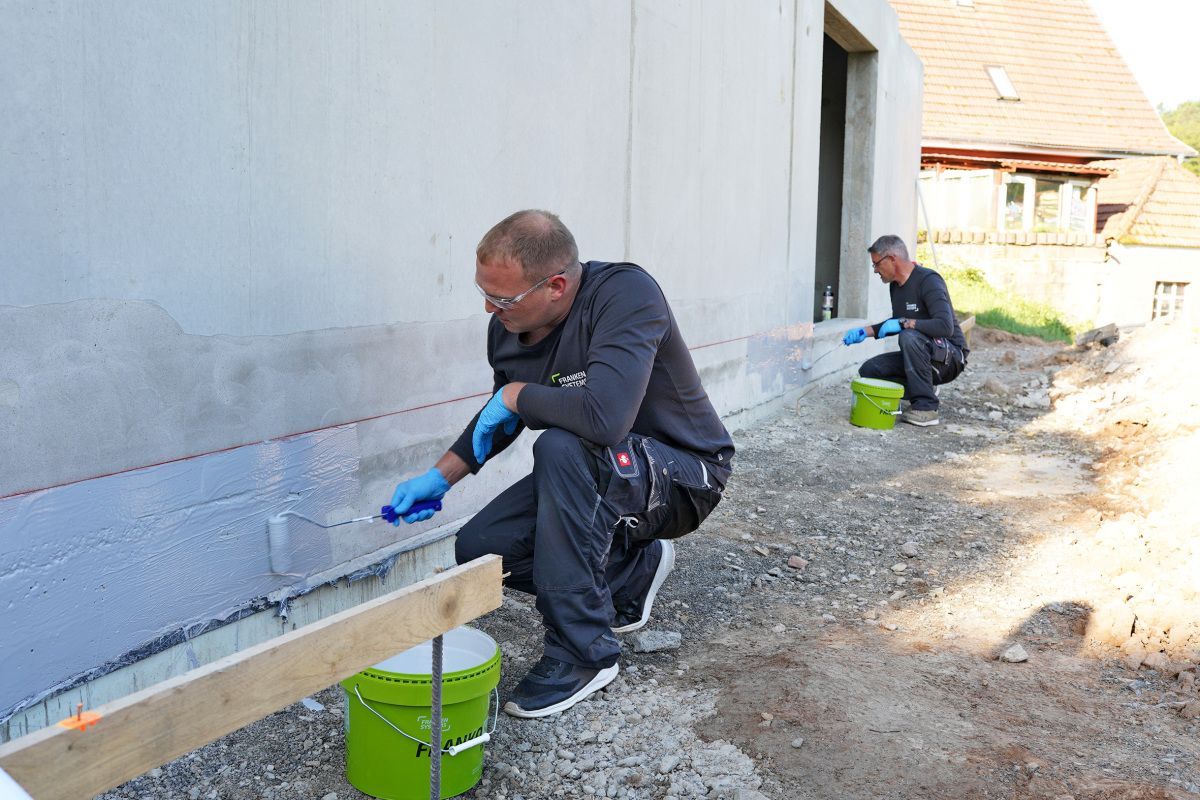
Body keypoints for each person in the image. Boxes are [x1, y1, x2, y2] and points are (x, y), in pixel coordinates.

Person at [387, 210, 734, 718]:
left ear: (555, 286)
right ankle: (631, 573)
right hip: (601, 474)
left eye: (502, 298)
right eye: (484, 292)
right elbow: (500, 417)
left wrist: (515, 394)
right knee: (483, 547)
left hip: (684, 476)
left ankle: (583, 653)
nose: (488, 307)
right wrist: (440, 478)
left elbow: (604, 417)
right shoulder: (506, 330)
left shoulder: (624, 294)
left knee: (560, 447)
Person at [841, 235, 969, 427]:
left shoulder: (929, 281)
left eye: (876, 264)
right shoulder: (896, 286)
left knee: (908, 336)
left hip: (950, 358)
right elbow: (897, 321)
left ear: (892, 259)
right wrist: (863, 332)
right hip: (924, 352)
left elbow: (945, 326)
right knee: (870, 370)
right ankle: (925, 389)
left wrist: (904, 323)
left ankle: (926, 408)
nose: (875, 270)